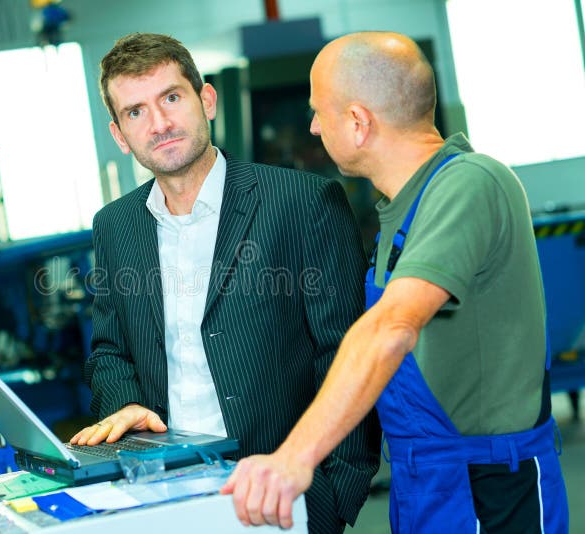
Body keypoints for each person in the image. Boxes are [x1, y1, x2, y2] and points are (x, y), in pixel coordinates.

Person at [221, 31, 569, 533]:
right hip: (425, 481)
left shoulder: (470, 183)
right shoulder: (402, 211)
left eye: (320, 111)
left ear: (359, 122)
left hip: (489, 489)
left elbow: (391, 327)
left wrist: (294, 457)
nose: (315, 127)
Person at [69, 33, 380, 533]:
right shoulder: (115, 226)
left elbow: (345, 354)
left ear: (206, 100)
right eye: (136, 112)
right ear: (120, 135)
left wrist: (334, 499)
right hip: (161, 495)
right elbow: (109, 351)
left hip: (278, 495)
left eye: (171, 98)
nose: (160, 123)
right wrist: (124, 403)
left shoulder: (302, 203)